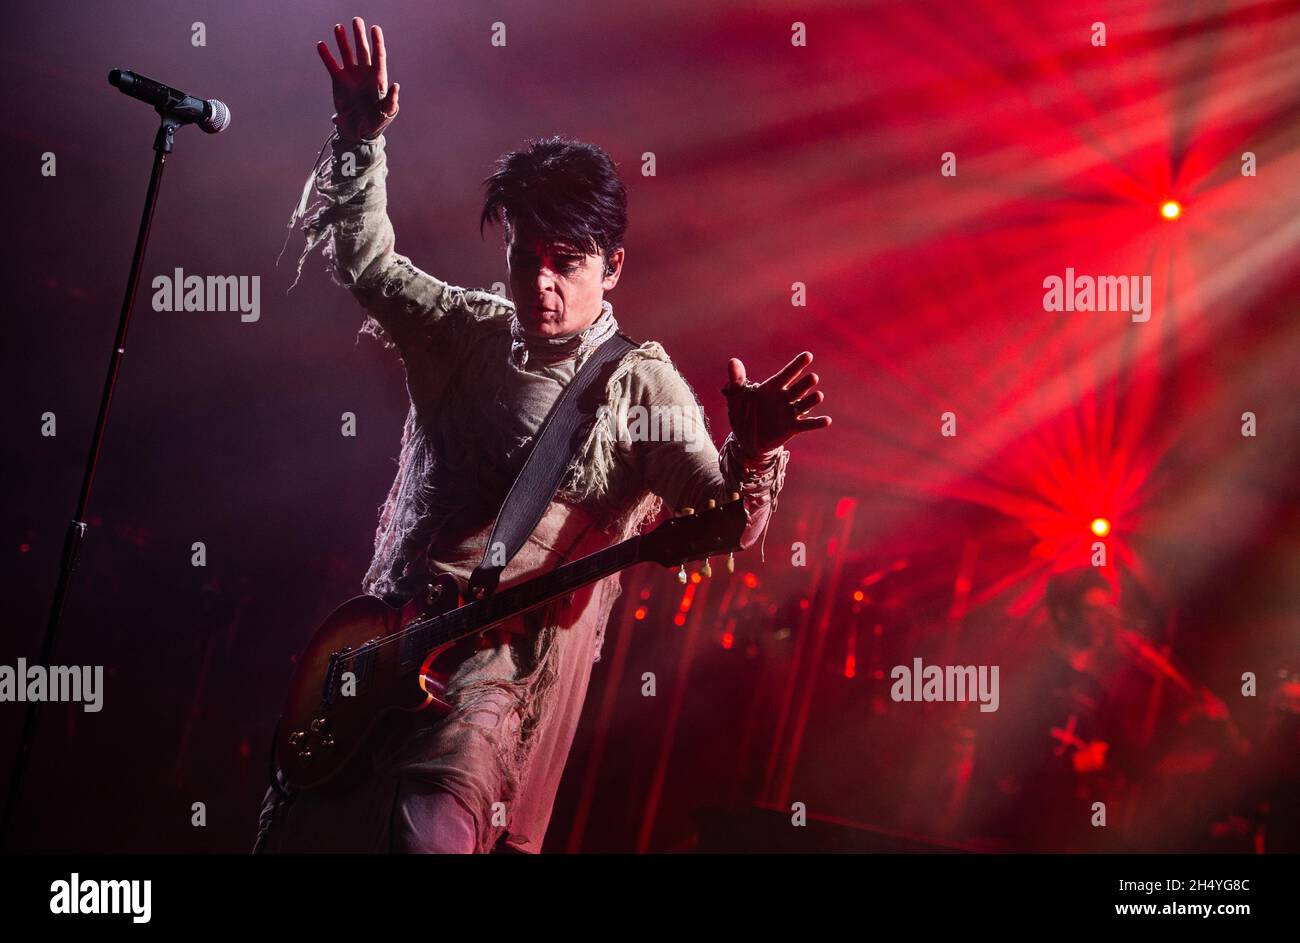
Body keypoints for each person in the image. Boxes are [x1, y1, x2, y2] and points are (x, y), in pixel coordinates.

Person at [254, 17, 831, 853]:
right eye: (527, 259)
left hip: (495, 688)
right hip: (379, 651)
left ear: (615, 266)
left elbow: (724, 520)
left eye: (568, 261)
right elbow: (368, 263)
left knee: (428, 837)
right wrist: (358, 137)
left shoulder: (641, 385)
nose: (544, 283)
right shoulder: (468, 331)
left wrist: (757, 449)